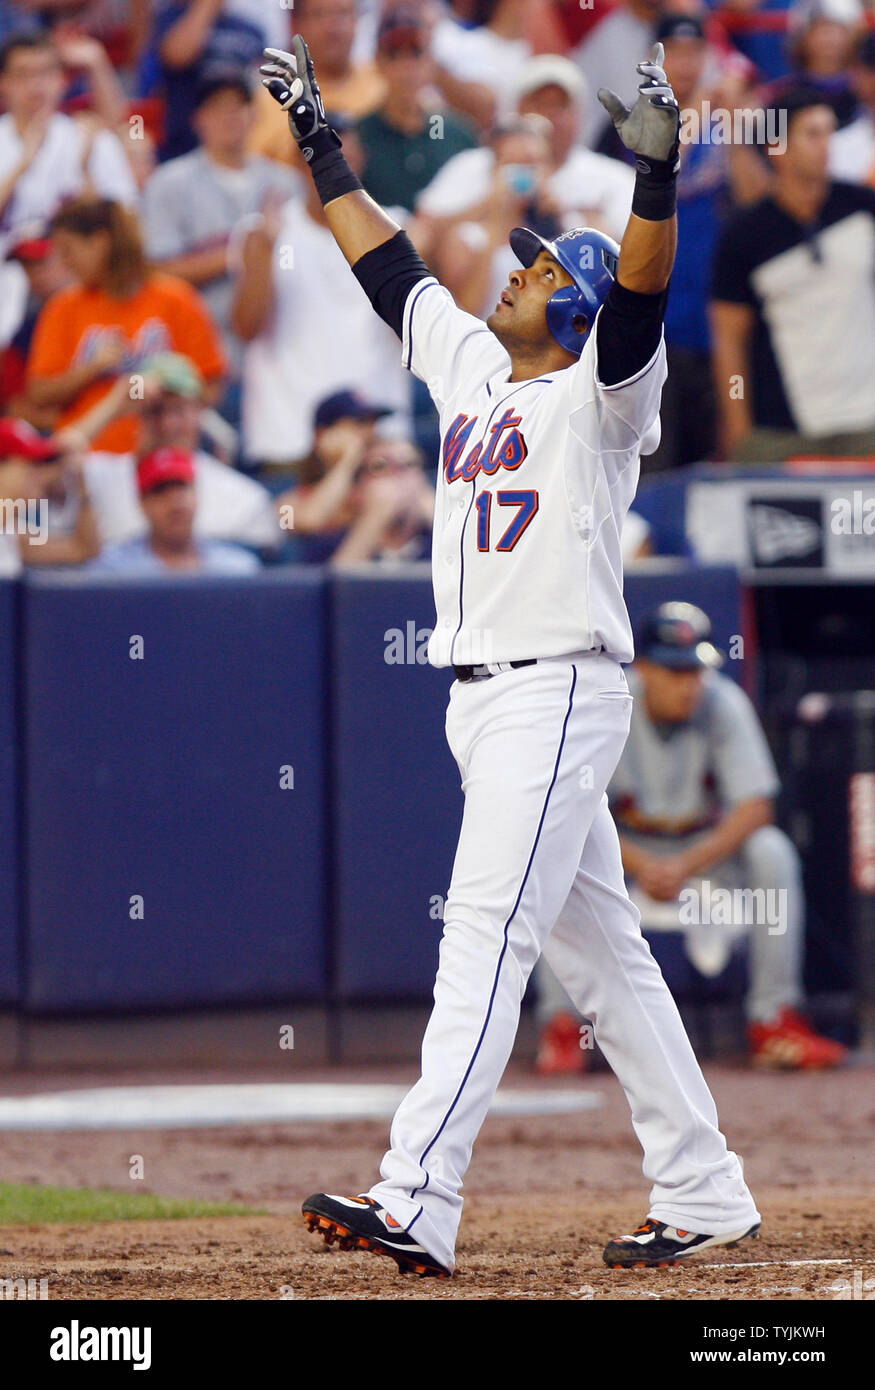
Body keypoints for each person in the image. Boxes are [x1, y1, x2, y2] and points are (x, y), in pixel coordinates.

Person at [260, 35, 760, 1276]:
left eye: (538, 269)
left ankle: (417, 1194)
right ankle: (703, 1189)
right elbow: (390, 271)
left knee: (482, 936)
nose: (516, 273)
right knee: (605, 961)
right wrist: (322, 145)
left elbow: (639, 300)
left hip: (556, 690)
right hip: (483, 703)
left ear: (573, 306)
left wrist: (652, 183)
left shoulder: (602, 399)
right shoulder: (477, 369)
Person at [536, 603, 848, 1074]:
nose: (689, 684)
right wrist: (645, 866)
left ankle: (774, 1021)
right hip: (623, 857)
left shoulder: (721, 701)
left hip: (703, 858)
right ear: (643, 669)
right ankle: (564, 1028)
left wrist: (683, 867)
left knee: (772, 850)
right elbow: (571, 809)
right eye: (674, 672)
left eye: (695, 671)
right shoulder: (607, 705)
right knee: (559, 848)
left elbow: (755, 808)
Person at [232, 117, 409, 468]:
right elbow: (246, 329)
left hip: (379, 441)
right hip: (287, 439)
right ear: (299, 163)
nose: (332, 170)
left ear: (360, 160)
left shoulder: (395, 228)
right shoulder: (261, 233)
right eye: (320, 158)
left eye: (343, 158)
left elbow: (412, 330)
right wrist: (266, 251)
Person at [710, 86, 875, 462]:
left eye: (829, 133)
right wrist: (738, 427)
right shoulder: (745, 236)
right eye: (812, 134)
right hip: (781, 434)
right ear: (777, 147)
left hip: (868, 424)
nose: (826, 145)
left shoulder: (863, 209)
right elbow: (730, 344)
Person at [26, 196, 227, 454]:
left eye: (68, 250)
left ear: (100, 242)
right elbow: (39, 394)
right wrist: (91, 369)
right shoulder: (63, 307)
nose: (65, 264)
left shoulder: (175, 298)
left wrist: (166, 388)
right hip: (88, 457)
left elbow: (210, 385)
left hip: (162, 460)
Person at [142, 68, 298, 387]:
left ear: (254, 115)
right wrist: (245, 250)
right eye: (217, 108)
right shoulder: (169, 183)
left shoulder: (286, 183)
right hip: (202, 353)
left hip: (282, 344)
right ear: (199, 118)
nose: (229, 117)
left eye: (238, 106)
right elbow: (158, 272)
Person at [415, 55, 634, 243]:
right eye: (539, 103)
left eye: (561, 106)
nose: (550, 115)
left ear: (579, 115)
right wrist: (489, 208)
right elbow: (422, 232)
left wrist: (564, 220)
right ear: (517, 109)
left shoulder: (612, 177)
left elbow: (633, 258)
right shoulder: (471, 165)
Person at [0, 30, 136, 250]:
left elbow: (125, 222)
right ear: (3, 82)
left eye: (44, 73)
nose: (35, 84)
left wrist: (85, 169)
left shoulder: (91, 138)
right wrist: (22, 165)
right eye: (23, 74)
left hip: (76, 276)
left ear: (61, 79)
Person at [355, 7, 478, 216]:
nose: (406, 68)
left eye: (416, 53)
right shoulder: (358, 136)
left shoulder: (457, 136)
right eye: (394, 55)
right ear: (377, 61)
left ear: (431, 61)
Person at [89, 445, 261, 573]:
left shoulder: (236, 567)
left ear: (196, 493)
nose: (174, 500)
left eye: (181, 487)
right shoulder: (113, 569)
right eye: (160, 490)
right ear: (142, 502)